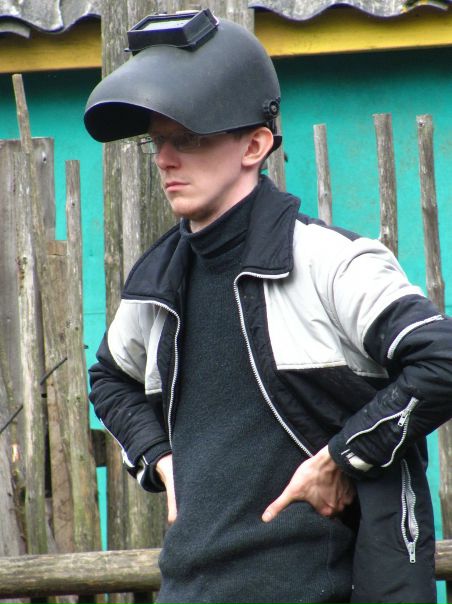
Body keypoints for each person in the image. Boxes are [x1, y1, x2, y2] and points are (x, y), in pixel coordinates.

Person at [84, 9, 452, 604]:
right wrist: (158, 459)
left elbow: (443, 360)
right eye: (158, 141)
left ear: (254, 145)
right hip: (187, 590)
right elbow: (108, 379)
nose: (165, 159)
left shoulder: (330, 262)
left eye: (189, 139)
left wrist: (342, 458)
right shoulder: (157, 284)